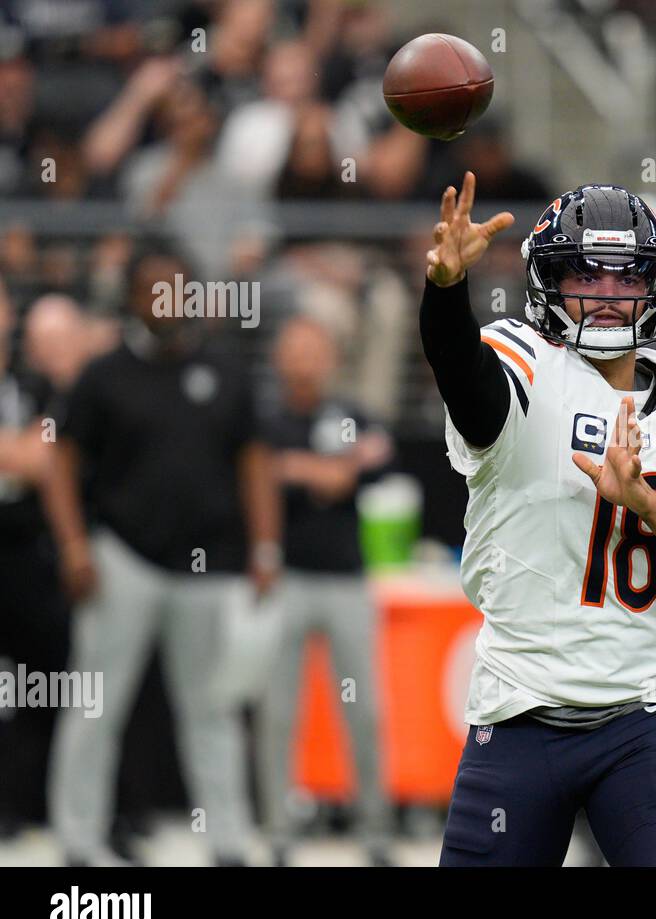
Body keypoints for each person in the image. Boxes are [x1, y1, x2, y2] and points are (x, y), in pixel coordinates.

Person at [422, 175, 656, 866]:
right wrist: (445, 295)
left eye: (627, 276)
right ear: (546, 280)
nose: (607, 295)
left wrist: (649, 505)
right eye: (584, 272)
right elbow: (465, 377)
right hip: (520, 713)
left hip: (646, 714)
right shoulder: (521, 363)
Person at [43, 246, 281, 866]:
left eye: (177, 287)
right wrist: (73, 546)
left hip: (209, 568)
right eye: (152, 288)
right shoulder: (102, 377)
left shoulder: (226, 375)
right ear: (129, 298)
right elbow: (60, 462)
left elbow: (255, 463)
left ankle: (227, 840)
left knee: (213, 711)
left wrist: (265, 547)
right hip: (121, 558)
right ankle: (79, 839)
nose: (165, 299)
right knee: (95, 705)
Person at [257, 316, 395, 867]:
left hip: (345, 579)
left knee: (364, 708)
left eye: (314, 349)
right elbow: (262, 472)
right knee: (277, 710)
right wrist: (321, 470)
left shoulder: (347, 414)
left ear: (331, 357)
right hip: (282, 579)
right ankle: (278, 827)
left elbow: (377, 457)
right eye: (295, 350)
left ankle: (375, 826)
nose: (305, 361)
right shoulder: (266, 420)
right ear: (277, 358)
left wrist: (306, 470)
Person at [0, 280, 67, 837]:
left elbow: (42, 461)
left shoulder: (35, 386)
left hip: (24, 552)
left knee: (39, 681)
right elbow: (22, 454)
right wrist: (15, 449)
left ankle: (27, 803)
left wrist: (21, 452)